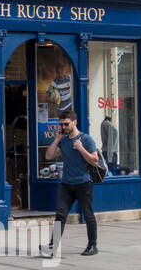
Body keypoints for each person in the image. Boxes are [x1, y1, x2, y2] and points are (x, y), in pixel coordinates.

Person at [40, 108, 101, 257]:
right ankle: (52, 247)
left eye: (66, 124)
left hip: (83, 183)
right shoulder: (64, 141)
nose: (63, 127)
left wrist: (81, 149)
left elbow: (95, 160)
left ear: (74, 122)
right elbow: (48, 156)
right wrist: (56, 140)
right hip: (66, 184)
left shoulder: (86, 139)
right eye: (61, 125)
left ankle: (92, 246)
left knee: (88, 215)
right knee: (60, 215)